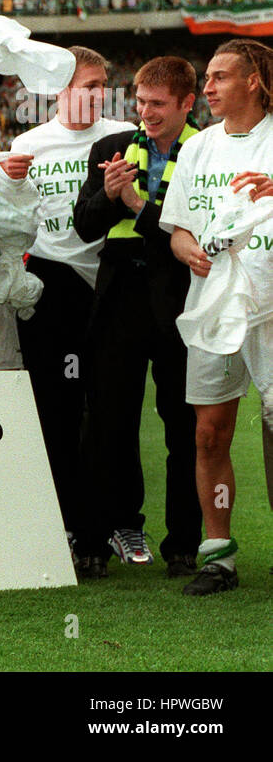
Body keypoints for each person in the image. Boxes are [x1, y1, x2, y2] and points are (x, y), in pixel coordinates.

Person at [72, 56, 203, 579]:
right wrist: (107, 197)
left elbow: (190, 234)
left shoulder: (207, 151)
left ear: (187, 104)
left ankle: (184, 544)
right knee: (106, 422)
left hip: (182, 295)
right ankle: (94, 541)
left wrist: (131, 200)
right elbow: (83, 227)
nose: (144, 113)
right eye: (140, 102)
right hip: (121, 292)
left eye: (158, 104)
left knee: (185, 426)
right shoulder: (108, 150)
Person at [9, 47, 134, 560]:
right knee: (57, 411)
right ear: (57, 87)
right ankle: (65, 528)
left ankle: (109, 528)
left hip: (110, 283)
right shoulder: (29, 142)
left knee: (109, 413)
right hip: (51, 282)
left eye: (102, 84)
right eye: (86, 84)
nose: (97, 93)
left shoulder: (123, 138)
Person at [160, 38, 273, 596]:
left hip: (271, 307)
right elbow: (178, 227)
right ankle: (218, 555)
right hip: (210, 307)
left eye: (220, 77)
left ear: (253, 80)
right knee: (208, 434)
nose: (207, 87)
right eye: (206, 78)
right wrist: (187, 249)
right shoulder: (198, 148)